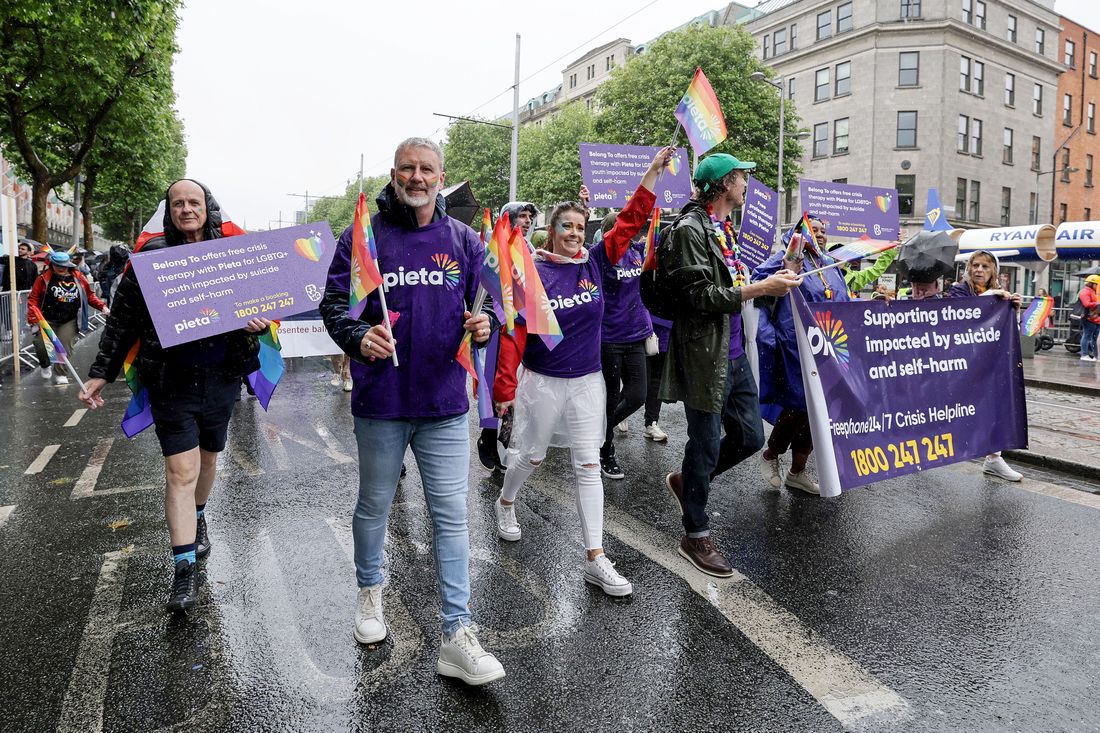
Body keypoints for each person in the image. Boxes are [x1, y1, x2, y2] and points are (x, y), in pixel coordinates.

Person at [320, 137, 504, 686]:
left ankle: (457, 633)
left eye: (427, 169)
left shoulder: (465, 240)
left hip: (446, 402)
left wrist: (484, 322)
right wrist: (357, 337)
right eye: (407, 168)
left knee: (451, 515)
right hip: (381, 401)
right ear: (394, 175)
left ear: (440, 176)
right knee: (375, 503)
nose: (417, 176)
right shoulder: (365, 238)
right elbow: (335, 305)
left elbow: (487, 297)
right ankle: (369, 594)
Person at [491, 147, 675, 597]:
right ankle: (506, 501)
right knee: (533, 456)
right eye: (565, 227)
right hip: (543, 382)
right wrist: (505, 387)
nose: (574, 233)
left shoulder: (595, 261)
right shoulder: (532, 273)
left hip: (588, 380)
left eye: (579, 227)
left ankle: (595, 556)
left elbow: (630, 221)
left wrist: (652, 173)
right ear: (550, 231)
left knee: (588, 463)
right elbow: (513, 333)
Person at [78, 179, 267, 613]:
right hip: (169, 381)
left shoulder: (233, 254)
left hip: (221, 377)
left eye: (193, 202)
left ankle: (199, 516)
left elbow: (264, 300)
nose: (186, 209)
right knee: (179, 471)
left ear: (208, 208)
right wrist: (99, 374)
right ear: (169, 210)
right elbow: (122, 320)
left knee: (207, 461)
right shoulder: (149, 258)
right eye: (178, 203)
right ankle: (184, 572)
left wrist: (258, 319)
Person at [659, 153, 802, 578]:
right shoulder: (689, 230)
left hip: (734, 353)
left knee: (750, 436)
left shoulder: (723, 229)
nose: (746, 184)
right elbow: (701, 296)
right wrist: (760, 288)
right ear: (723, 184)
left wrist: (778, 276)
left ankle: (688, 482)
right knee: (703, 442)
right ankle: (695, 534)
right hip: (705, 354)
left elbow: (736, 280)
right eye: (741, 177)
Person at [754, 215, 851, 496]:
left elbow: (842, 300)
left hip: (827, 346)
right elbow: (758, 281)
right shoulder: (786, 257)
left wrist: (875, 303)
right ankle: (771, 454)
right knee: (800, 403)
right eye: (813, 230)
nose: (819, 235)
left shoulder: (829, 264)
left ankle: (798, 472)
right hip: (794, 344)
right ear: (799, 234)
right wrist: (784, 273)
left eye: (823, 231)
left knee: (818, 408)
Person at [576, 185, 659, 479]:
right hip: (609, 337)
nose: (633, 233)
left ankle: (599, 432)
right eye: (627, 230)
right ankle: (605, 451)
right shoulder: (602, 256)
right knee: (610, 397)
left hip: (636, 335)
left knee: (637, 394)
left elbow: (655, 251)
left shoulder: (638, 252)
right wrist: (583, 205)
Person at [947, 250, 1024, 481]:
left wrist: (1014, 312)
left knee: (994, 406)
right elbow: (956, 317)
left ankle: (994, 458)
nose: (979, 270)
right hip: (960, 362)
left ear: (994, 272)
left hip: (987, 364)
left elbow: (1009, 333)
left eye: (985, 267)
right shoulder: (958, 290)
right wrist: (989, 297)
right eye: (976, 265)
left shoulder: (1001, 296)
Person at [476, 201, 539, 474]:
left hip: (526, 326)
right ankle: (487, 439)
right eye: (521, 216)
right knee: (495, 386)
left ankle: (505, 438)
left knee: (516, 387)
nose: (526, 221)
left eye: (528, 217)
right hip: (500, 325)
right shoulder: (494, 246)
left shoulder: (532, 249)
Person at [27, 251, 108, 384]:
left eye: (64, 265)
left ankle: (60, 373)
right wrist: (33, 318)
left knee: (65, 346)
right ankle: (45, 363)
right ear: (52, 264)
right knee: (41, 345)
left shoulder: (78, 277)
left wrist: (102, 307)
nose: (61, 268)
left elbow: (89, 295)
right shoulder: (43, 278)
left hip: (69, 320)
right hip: (46, 318)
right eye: (58, 265)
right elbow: (33, 298)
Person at [642, 313, 673, 441]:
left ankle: (651, 423)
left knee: (657, 378)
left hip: (667, 325)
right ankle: (619, 412)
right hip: (645, 322)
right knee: (640, 381)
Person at [1078, 275, 1100, 361]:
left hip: (1095, 318)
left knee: (1094, 337)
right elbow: (1086, 304)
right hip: (1088, 317)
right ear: (1092, 284)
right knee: (1087, 336)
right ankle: (1084, 354)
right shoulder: (1085, 291)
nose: (1097, 286)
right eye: (1096, 284)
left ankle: (1095, 356)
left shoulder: (1093, 291)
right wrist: (1097, 303)